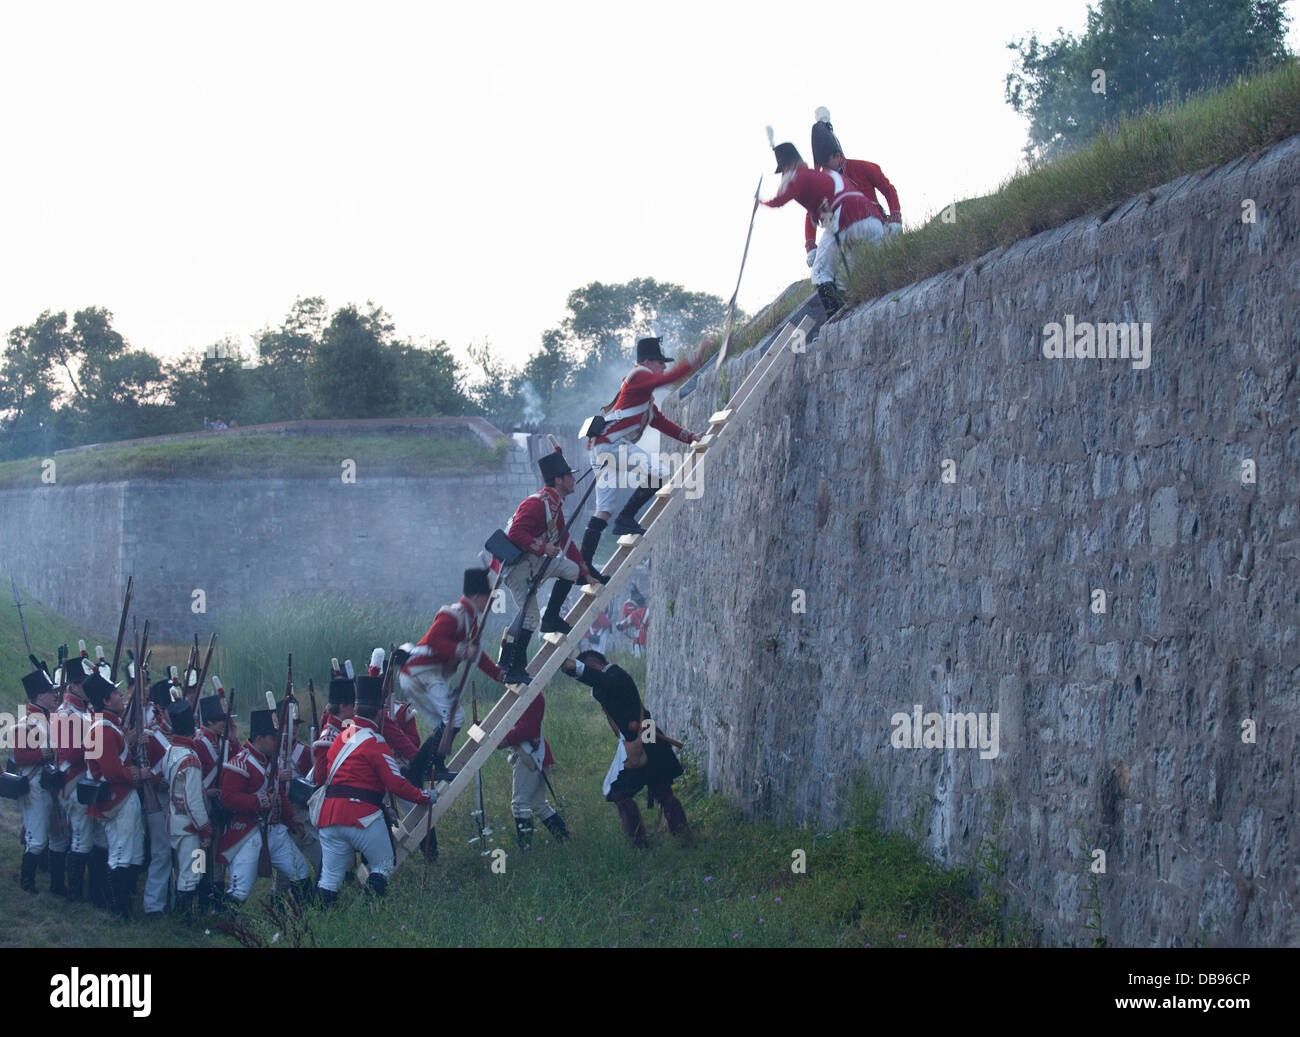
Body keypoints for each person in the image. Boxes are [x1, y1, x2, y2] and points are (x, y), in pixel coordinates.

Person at [578, 338, 705, 581]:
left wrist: (690, 438)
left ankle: (584, 567)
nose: (663, 368)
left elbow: (660, 422)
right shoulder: (639, 375)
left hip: (603, 448)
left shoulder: (643, 398)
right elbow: (664, 380)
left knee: (603, 510)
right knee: (658, 473)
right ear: (647, 362)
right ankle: (626, 519)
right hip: (611, 446)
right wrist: (693, 359)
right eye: (660, 362)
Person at [315, 674, 435, 904]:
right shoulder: (376, 742)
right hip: (360, 817)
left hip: (329, 817)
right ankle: (371, 914)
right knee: (384, 864)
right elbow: (396, 784)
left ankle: (321, 922)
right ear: (380, 713)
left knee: (330, 878)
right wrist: (424, 796)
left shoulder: (341, 737)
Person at [559, 650, 687, 847]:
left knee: (648, 790)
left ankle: (656, 840)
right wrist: (573, 670)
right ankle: (654, 838)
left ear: (594, 666)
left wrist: (577, 668)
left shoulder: (617, 676)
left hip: (647, 736)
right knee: (650, 790)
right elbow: (599, 684)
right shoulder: (608, 679)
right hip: (642, 737)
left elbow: (604, 683)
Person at [400, 569, 509, 783]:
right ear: (477, 597)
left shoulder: (470, 620)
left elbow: (476, 655)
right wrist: (461, 649)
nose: (489, 603)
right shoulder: (454, 614)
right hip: (421, 673)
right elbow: (434, 640)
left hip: (422, 675)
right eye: (487, 598)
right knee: (455, 718)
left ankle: (419, 772)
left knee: (443, 724)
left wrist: (497, 674)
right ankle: (428, 769)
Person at [762, 134, 882, 317]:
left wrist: (761, 203)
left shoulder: (798, 177)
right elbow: (814, 211)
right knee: (846, 275)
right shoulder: (823, 176)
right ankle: (858, 306)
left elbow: (780, 201)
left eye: (783, 170)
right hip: (873, 221)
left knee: (820, 273)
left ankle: (836, 316)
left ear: (787, 166)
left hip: (847, 221)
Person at [217, 708, 313, 906]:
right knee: (240, 888)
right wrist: (257, 801)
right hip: (249, 833)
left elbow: (279, 795)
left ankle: (309, 915)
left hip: (275, 830)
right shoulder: (239, 764)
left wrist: (291, 820)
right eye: (273, 738)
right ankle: (223, 924)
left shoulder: (272, 762)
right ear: (259, 738)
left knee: (300, 871)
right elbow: (228, 798)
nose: (277, 742)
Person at [84, 671, 154, 919]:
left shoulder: (110, 726)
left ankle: (123, 903)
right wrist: (140, 773)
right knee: (120, 853)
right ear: (105, 701)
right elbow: (113, 772)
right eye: (115, 693)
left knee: (131, 850)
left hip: (124, 797)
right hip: (118, 798)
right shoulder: (103, 729)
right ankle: (117, 908)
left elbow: (118, 758)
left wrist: (132, 744)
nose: (119, 696)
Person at [807, 107, 902, 259]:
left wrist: (896, 217)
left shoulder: (862, 168)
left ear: (837, 156)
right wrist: (810, 246)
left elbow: (888, 189)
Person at [55, 655, 107, 905]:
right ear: (74, 686)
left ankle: (94, 893)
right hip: (74, 782)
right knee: (81, 839)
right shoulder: (66, 713)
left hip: (86, 781)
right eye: (84, 684)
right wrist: (97, 743)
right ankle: (74, 896)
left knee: (95, 837)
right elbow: (70, 753)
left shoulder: (84, 711)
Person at [14, 665, 67, 895]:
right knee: (36, 839)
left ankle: (54, 884)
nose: (54, 695)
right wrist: (43, 754)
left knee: (55, 836)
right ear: (38, 696)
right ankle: (27, 883)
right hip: (34, 783)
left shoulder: (48, 718)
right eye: (49, 692)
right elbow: (19, 756)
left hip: (49, 783)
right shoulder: (26, 721)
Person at [498, 692, 568, 849]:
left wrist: (504, 739)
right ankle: (565, 840)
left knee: (519, 804)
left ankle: (525, 849)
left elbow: (528, 729)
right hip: (532, 755)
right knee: (538, 804)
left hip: (530, 756)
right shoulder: (521, 690)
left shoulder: (533, 694)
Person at [161, 699, 211, 920]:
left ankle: (187, 915)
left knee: (192, 869)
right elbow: (194, 802)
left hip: (174, 820)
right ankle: (183, 921)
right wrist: (205, 829)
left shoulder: (170, 750)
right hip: (190, 825)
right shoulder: (190, 759)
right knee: (191, 874)